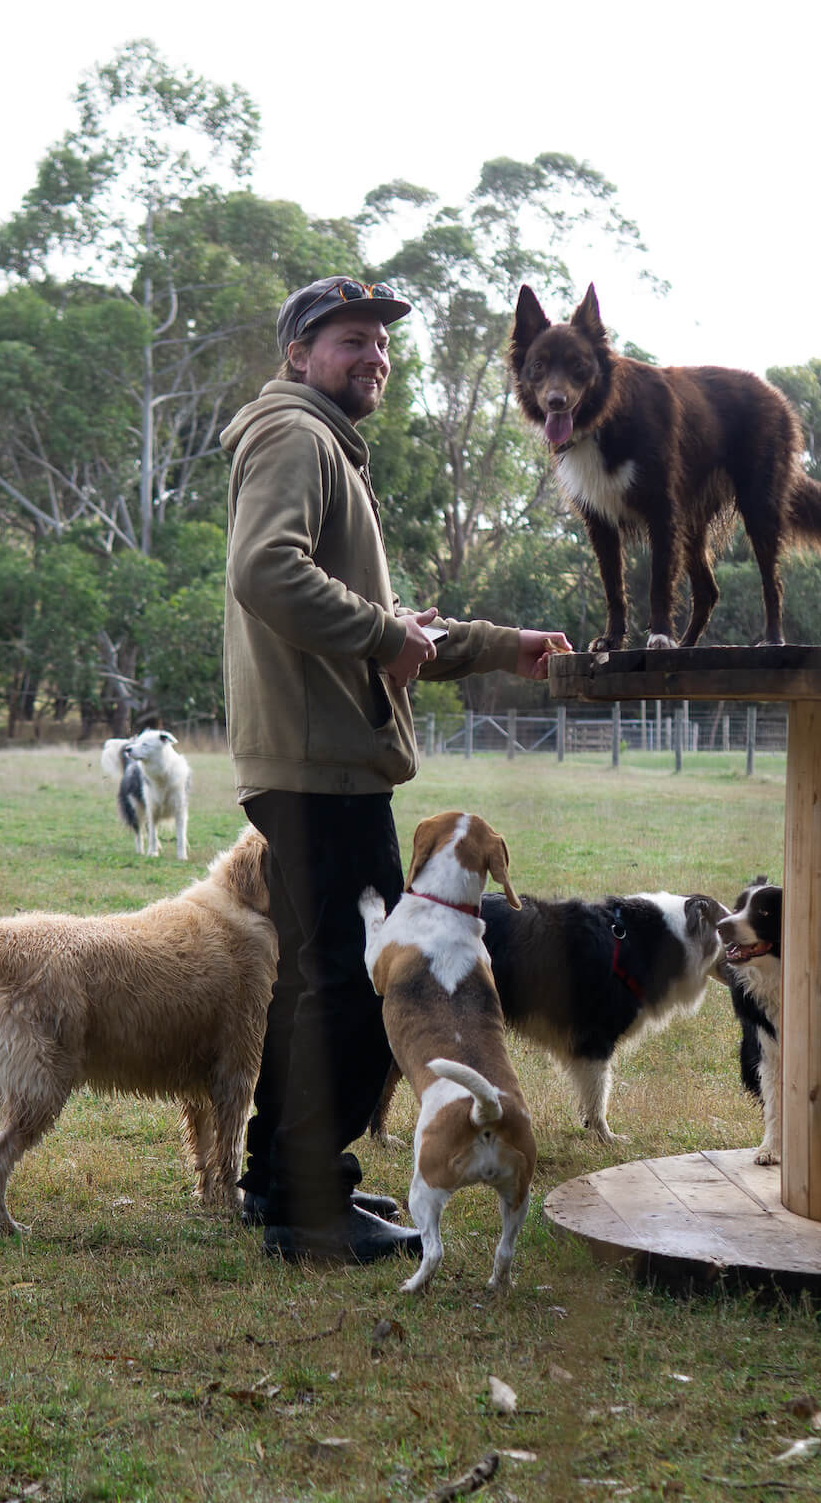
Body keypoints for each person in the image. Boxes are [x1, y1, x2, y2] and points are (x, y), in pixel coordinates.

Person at [220, 275, 572, 1265]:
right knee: (362, 984)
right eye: (349, 340)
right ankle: (306, 1210)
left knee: (316, 981)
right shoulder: (292, 434)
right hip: (319, 763)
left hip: (314, 757)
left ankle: (280, 1186)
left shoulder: (323, 444)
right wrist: (381, 632)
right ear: (299, 355)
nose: (372, 355)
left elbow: (396, 637)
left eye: (380, 342)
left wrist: (502, 645)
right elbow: (266, 571)